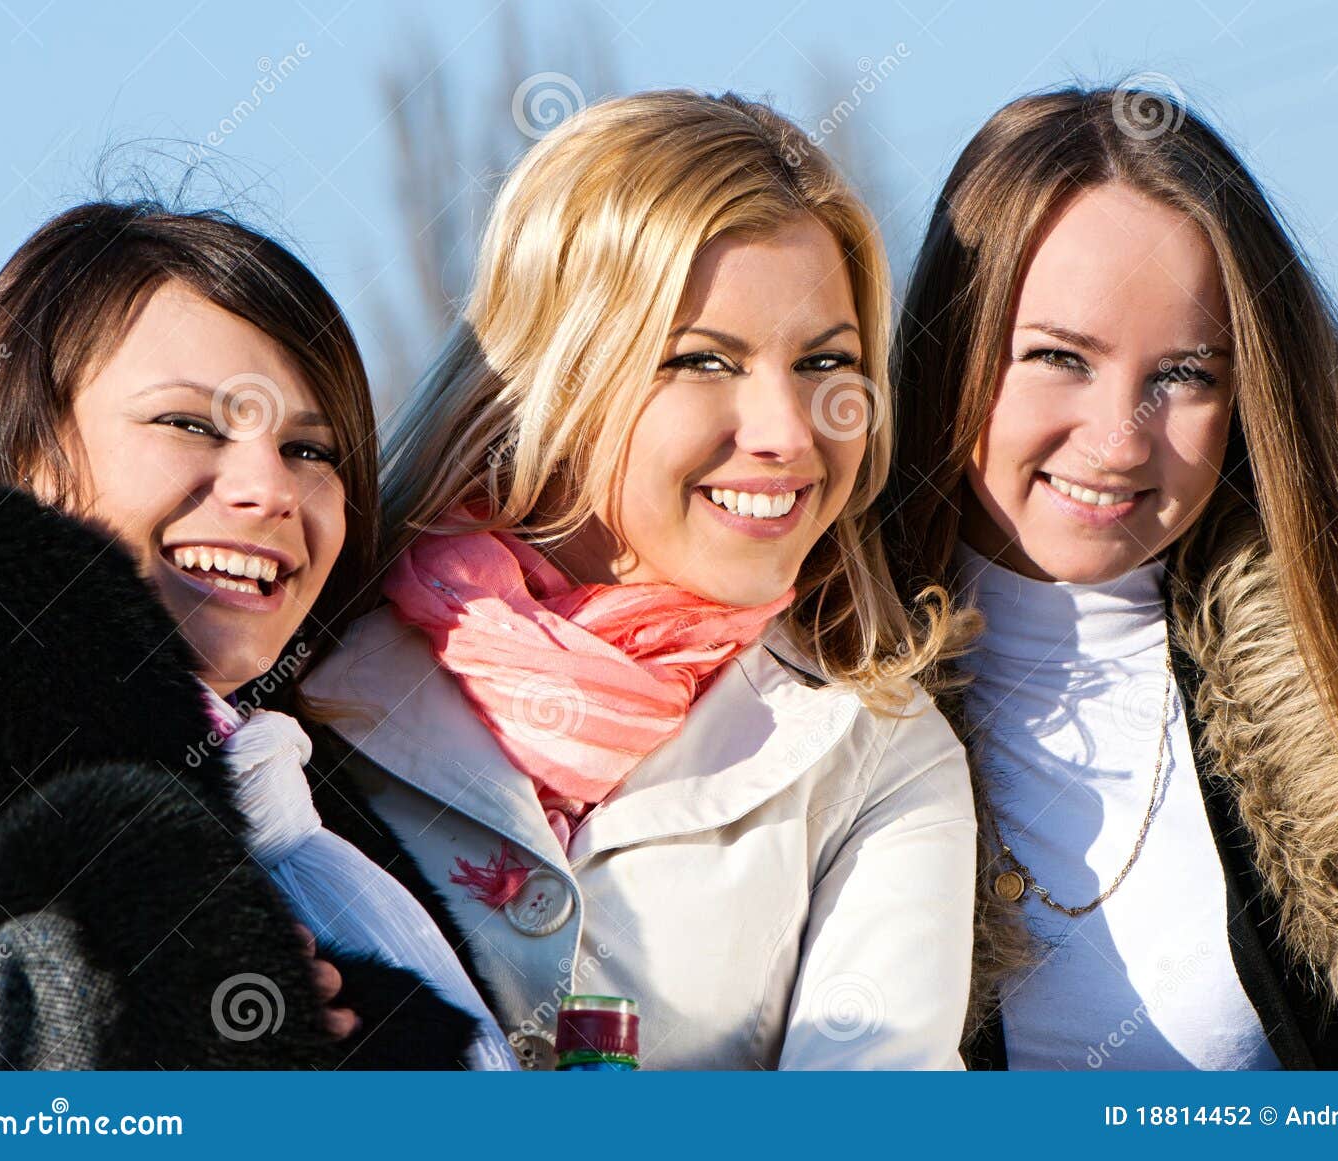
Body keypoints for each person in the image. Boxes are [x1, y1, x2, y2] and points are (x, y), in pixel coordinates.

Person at [301, 90, 977, 1070]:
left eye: (825, 363)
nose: (787, 433)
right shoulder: (305, 685)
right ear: (559, 376)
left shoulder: (875, 758)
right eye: (704, 362)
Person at [883, 85, 1338, 1070]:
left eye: (1185, 374)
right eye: (1056, 357)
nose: (1120, 441)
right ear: (949, 352)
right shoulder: (802, 687)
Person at [0, 200, 507, 1068]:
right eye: (190, 424)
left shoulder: (317, 798)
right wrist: (143, 987)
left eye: (312, 449)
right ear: (22, 452)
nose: (271, 490)